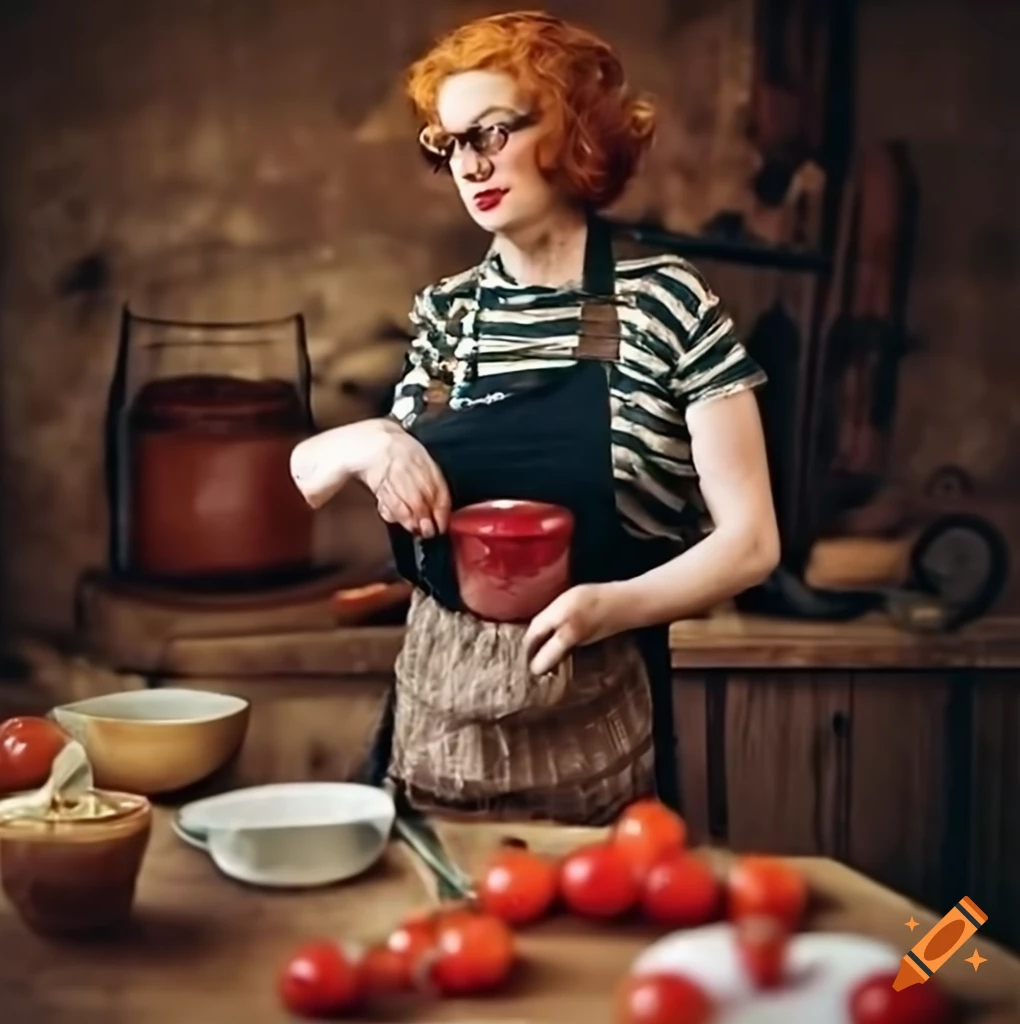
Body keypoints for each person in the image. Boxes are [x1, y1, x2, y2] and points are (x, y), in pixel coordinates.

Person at [290, 11, 779, 825]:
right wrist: (369, 441)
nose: (469, 164)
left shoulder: (665, 302)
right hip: (440, 720)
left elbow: (752, 543)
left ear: (571, 128)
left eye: (492, 132)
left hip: (601, 717)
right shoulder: (448, 314)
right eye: (450, 145)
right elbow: (307, 477)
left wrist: (608, 606)